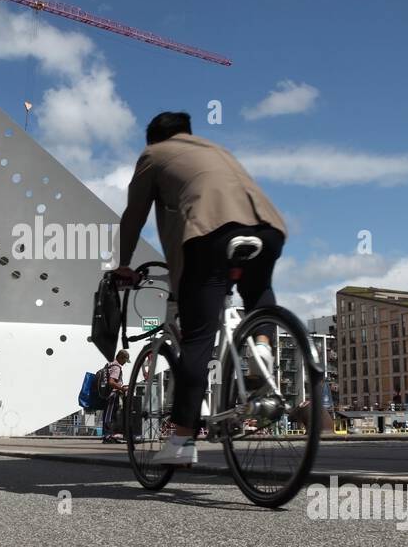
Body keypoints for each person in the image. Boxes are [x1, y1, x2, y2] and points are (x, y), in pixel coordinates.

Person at [114, 111, 286, 467]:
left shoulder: (154, 155)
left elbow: (135, 214)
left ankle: (181, 440)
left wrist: (123, 263)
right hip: (268, 228)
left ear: (153, 138)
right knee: (257, 290)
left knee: (198, 338)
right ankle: (263, 344)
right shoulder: (215, 149)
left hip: (212, 232)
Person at [101, 349, 130, 442]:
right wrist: (122, 388)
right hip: (112, 395)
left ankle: (110, 435)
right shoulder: (116, 367)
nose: (125, 363)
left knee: (109, 414)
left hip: (107, 394)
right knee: (109, 415)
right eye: (125, 360)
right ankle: (107, 436)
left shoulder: (110, 363)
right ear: (121, 357)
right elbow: (111, 382)